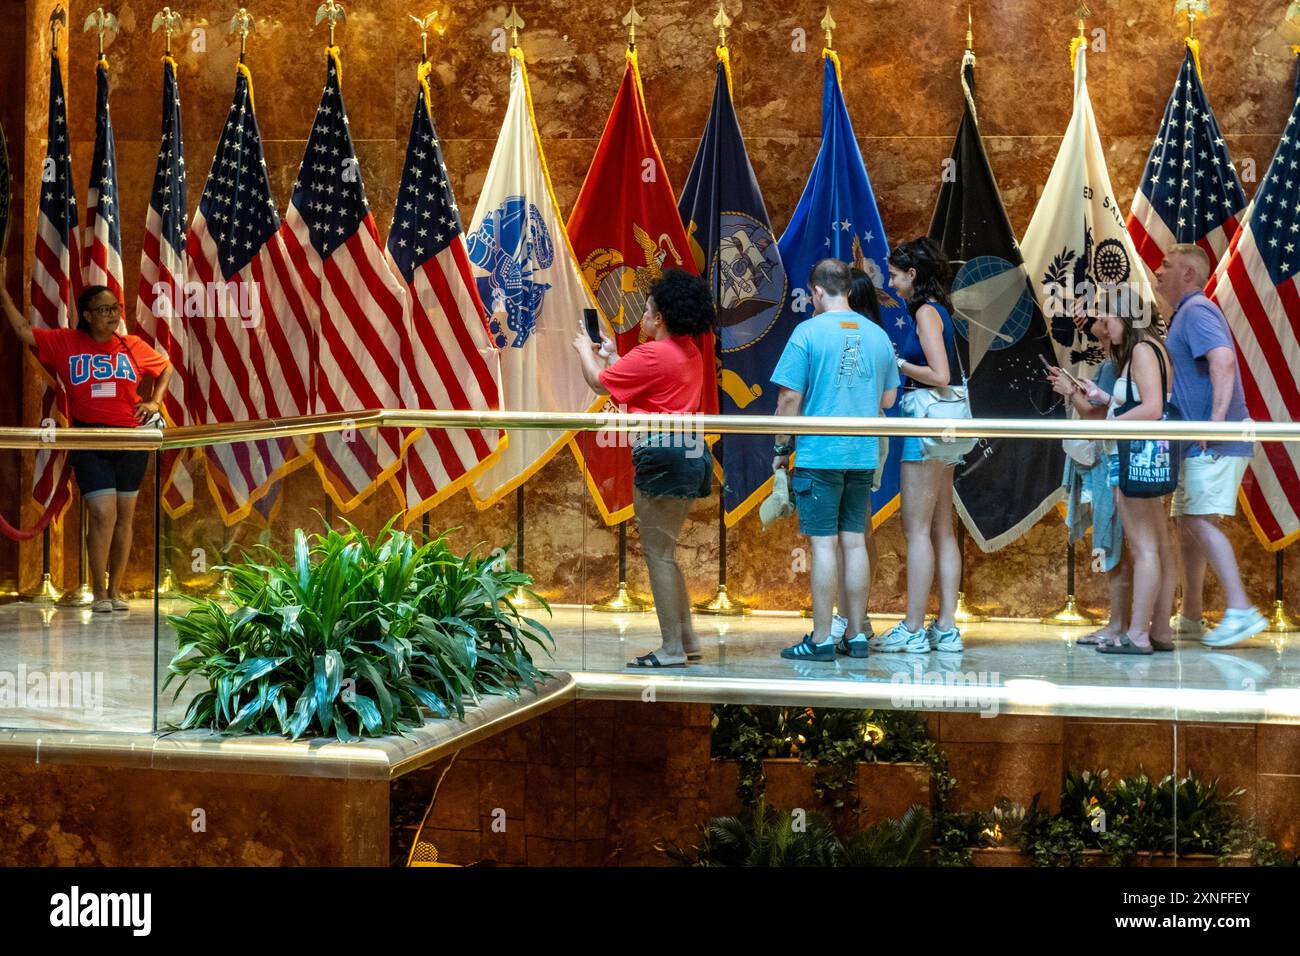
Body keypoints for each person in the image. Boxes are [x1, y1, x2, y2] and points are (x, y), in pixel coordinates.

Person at [0, 257, 172, 613]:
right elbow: (22, 331)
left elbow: (166, 366)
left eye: (116, 308)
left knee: (125, 515)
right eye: (104, 309)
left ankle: (116, 589)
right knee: (102, 512)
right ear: (88, 315)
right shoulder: (66, 341)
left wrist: (155, 401)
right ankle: (98, 589)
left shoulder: (132, 345)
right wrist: (2, 291)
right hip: (89, 439)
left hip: (130, 439)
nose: (113, 315)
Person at [572, 269, 714, 668]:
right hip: (689, 453)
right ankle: (686, 639)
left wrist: (585, 349)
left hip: (662, 457)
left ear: (662, 318)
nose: (644, 317)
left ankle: (670, 649)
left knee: (658, 554)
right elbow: (641, 381)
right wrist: (615, 357)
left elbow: (600, 384)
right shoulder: (688, 350)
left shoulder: (652, 354)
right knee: (666, 552)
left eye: (648, 311)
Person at [769, 258, 899, 661]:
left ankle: (822, 638)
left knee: (824, 547)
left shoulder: (806, 332)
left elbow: (789, 398)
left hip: (819, 453)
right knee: (855, 543)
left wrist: (779, 449)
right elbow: (888, 400)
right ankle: (856, 634)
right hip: (861, 454)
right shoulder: (877, 335)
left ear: (818, 291)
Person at [1155, 243, 1266, 649]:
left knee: (1199, 520)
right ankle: (1191, 615)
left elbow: (1223, 361)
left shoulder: (1198, 310)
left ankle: (1240, 609)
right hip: (1198, 443)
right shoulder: (1185, 315)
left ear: (1188, 274)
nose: (1157, 270)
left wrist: (1214, 424)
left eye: (1166, 265)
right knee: (1189, 523)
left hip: (1212, 442)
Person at [875, 237, 965, 653]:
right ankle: (945, 626)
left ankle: (913, 627)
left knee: (916, 530)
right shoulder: (938, 310)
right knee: (942, 528)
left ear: (913, 274)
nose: (891, 283)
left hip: (924, 426)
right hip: (945, 430)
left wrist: (898, 364)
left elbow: (941, 375)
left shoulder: (927, 313)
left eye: (894, 275)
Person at [1090, 301, 1177, 654]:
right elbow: (1143, 402)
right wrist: (1106, 399)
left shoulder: (1141, 350)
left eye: (1106, 318)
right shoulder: (1152, 347)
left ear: (1125, 317)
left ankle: (1138, 634)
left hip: (1135, 455)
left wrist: (1110, 425)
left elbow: (1153, 408)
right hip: (1146, 453)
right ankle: (1160, 631)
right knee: (1157, 545)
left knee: (1144, 547)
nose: (1103, 326)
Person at [1049, 311, 1130, 646]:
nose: (1088, 319)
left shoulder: (1116, 366)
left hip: (1112, 462)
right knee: (1120, 548)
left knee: (1115, 546)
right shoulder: (1114, 363)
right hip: (1113, 461)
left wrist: (1071, 391)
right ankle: (1122, 623)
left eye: (1100, 316)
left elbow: (1097, 416)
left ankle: (1119, 625)